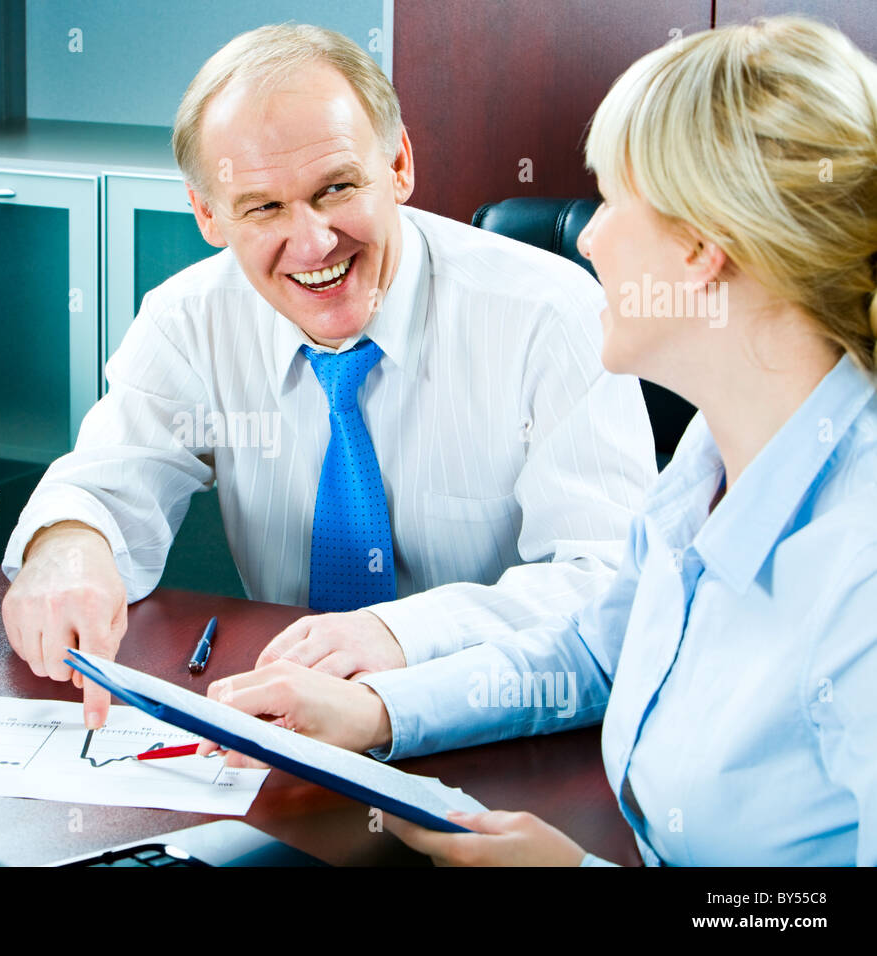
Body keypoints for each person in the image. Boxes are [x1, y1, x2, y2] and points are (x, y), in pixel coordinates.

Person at [199, 15, 877, 866]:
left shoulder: (860, 568)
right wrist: (375, 710)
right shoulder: (717, 452)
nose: (588, 237)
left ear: (707, 246)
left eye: (616, 202)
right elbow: (597, 646)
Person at [0, 24, 658, 729]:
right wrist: (69, 544)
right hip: (288, 731)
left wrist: (398, 635)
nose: (313, 243)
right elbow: (105, 479)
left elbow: (608, 586)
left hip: (499, 737)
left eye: (336, 188)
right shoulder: (189, 318)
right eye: (264, 207)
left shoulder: (551, 317)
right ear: (208, 213)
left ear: (399, 164)